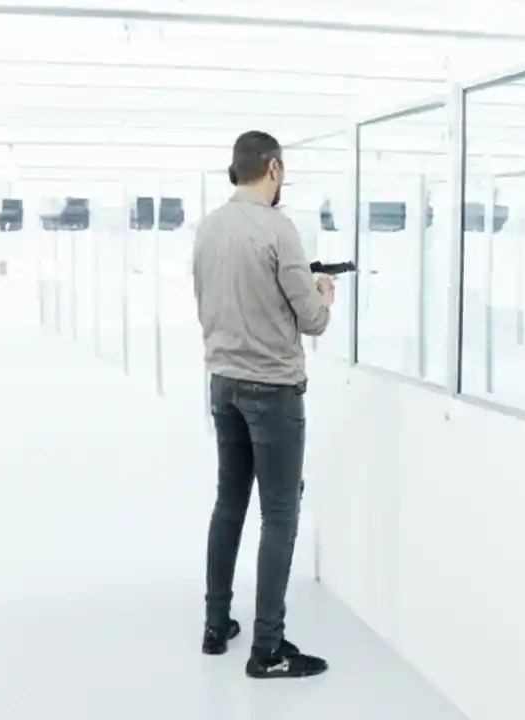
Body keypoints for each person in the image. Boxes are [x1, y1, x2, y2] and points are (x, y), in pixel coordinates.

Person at [192, 130, 336, 679]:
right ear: (273, 169)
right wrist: (322, 293)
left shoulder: (207, 228)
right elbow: (312, 320)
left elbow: (208, 302)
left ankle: (215, 626)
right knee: (280, 515)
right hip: (272, 391)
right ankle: (267, 649)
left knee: (229, 504)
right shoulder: (278, 229)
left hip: (222, 384)